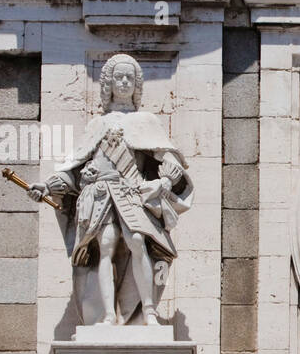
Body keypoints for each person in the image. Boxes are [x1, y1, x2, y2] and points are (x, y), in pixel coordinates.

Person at [27, 53, 193, 326]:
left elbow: (172, 162)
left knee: (138, 241)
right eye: (119, 77)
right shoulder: (97, 125)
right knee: (105, 245)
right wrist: (46, 186)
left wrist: (164, 182)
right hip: (101, 195)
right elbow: (75, 168)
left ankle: (148, 310)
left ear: (137, 83)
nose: (124, 82)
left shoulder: (146, 122)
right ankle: (107, 314)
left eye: (130, 77)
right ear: (109, 83)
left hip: (130, 192)